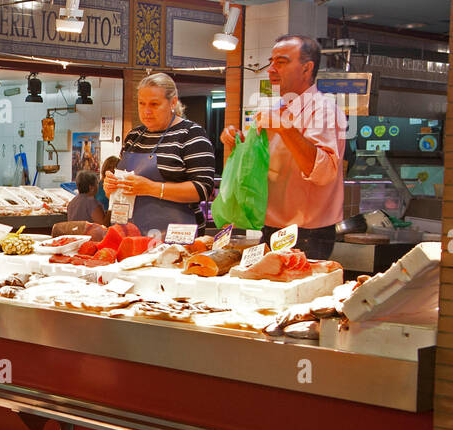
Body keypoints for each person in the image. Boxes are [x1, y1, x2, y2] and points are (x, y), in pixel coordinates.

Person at [222, 34, 346, 261]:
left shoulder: (324, 111)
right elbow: (258, 163)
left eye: (281, 62)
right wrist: (236, 141)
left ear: (307, 68)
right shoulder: (275, 109)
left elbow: (324, 172)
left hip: (307, 233)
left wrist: (286, 129)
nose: (271, 70)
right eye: (271, 62)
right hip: (267, 225)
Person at [104, 72, 215, 235]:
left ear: (173, 102)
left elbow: (203, 189)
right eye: (141, 104)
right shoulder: (134, 136)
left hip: (177, 234)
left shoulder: (192, 134)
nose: (146, 111)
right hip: (132, 232)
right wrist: (112, 187)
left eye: (154, 104)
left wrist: (151, 188)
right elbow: (126, 187)